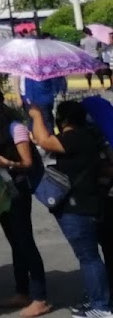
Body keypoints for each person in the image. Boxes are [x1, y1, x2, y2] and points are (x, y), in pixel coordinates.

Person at [28, 101, 111, 317]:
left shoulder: (76, 137)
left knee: (88, 257)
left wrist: (36, 114)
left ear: (64, 119)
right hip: (88, 204)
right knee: (91, 256)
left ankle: (100, 306)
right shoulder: (88, 137)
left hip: (78, 207)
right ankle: (98, 298)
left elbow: (44, 141)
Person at [0, 86, 50, 317]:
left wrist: (5, 162)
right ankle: (22, 291)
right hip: (2, 187)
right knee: (15, 241)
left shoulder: (15, 127)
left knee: (24, 240)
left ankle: (40, 297)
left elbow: (27, 162)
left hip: (18, 188)